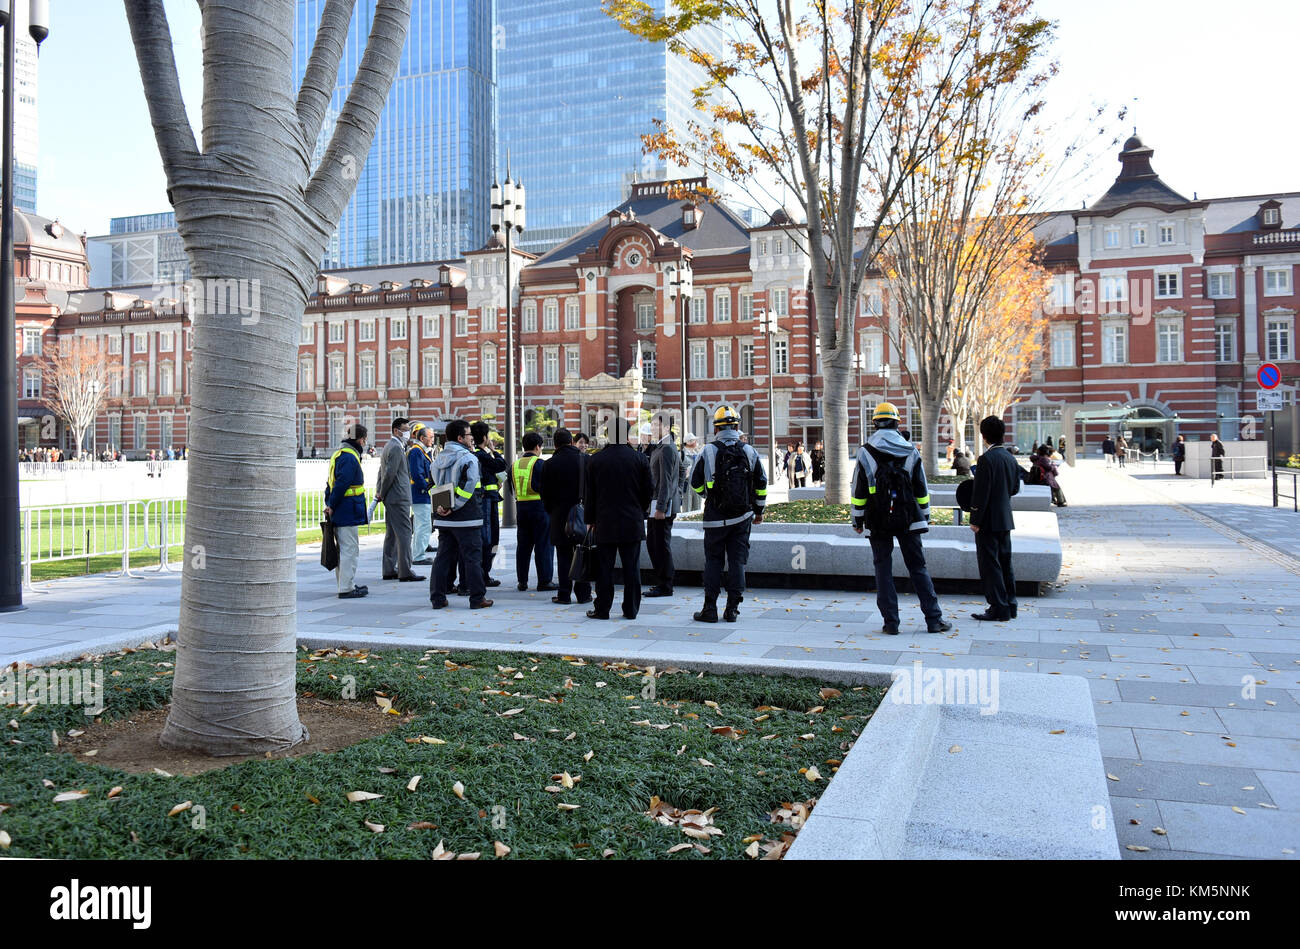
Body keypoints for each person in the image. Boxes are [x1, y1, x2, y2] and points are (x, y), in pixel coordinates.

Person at [851, 402, 951, 635]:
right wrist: (924, 516)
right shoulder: (910, 450)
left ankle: (891, 623)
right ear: (897, 422)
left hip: (878, 519)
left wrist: (857, 520)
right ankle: (934, 619)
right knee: (918, 567)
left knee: (883, 570)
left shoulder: (865, 451)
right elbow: (921, 488)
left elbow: (858, 490)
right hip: (909, 517)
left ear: (874, 422)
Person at [690, 405, 767, 623]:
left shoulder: (708, 451)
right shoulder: (750, 451)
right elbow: (761, 484)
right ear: (737, 427)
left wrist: (708, 495)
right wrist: (758, 510)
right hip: (742, 518)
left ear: (716, 429)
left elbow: (694, 482)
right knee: (737, 562)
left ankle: (710, 609)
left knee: (713, 562)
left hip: (715, 518)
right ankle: (732, 609)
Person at [585, 417, 652, 620]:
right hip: (632, 520)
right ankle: (631, 609)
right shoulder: (639, 459)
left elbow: (590, 494)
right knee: (632, 568)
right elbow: (648, 491)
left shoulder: (595, 460)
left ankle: (602, 609)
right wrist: (640, 511)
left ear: (607, 435)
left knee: (604, 568)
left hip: (604, 521)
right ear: (627, 434)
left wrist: (590, 519)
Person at [429, 419, 492, 610]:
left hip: (444, 518)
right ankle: (477, 598)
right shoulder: (469, 458)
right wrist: (455, 505)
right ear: (460, 438)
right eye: (469, 435)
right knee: (472, 558)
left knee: (442, 558)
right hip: (467, 517)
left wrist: (443, 507)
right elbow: (470, 485)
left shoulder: (437, 458)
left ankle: (437, 599)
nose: (472, 438)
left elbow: (434, 484)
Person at [969, 415, 1021, 622]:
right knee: (1005, 563)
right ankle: (1010, 604)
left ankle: (998, 607)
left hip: (988, 521)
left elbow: (981, 493)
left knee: (990, 565)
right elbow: (1015, 488)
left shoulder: (986, 459)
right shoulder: (1010, 458)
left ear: (983, 436)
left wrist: (975, 519)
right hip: (1005, 518)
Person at [536, 428, 591, 605]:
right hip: (583, 514)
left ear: (556, 443)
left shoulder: (549, 464)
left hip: (559, 515)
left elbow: (544, 493)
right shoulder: (585, 460)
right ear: (572, 442)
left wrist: (552, 510)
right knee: (583, 553)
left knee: (563, 555)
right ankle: (584, 594)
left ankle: (564, 594)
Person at [324, 423, 370, 599]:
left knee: (343, 550)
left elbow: (330, 483)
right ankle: (346, 587)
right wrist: (332, 505)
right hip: (347, 509)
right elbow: (342, 484)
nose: (365, 443)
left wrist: (329, 504)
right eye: (365, 439)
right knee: (349, 549)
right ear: (360, 439)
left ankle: (345, 584)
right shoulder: (350, 457)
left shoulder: (339, 454)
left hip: (340, 508)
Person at [376, 417, 423, 582]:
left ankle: (389, 569)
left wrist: (380, 491)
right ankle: (405, 570)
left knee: (391, 534)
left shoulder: (390, 446)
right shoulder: (396, 447)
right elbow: (389, 474)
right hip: (398, 496)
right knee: (404, 533)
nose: (408, 432)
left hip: (392, 496)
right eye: (405, 429)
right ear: (396, 430)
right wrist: (382, 492)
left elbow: (381, 472)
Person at [511, 432, 555, 591]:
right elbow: (549, 488)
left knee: (523, 545)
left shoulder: (514, 465)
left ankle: (522, 581)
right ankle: (544, 581)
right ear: (538, 447)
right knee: (543, 544)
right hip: (539, 507)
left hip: (521, 507)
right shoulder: (540, 464)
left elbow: (511, 488)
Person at [645, 414, 681, 598]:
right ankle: (661, 581)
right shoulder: (661, 446)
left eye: (655, 424)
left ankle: (666, 584)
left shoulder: (666, 448)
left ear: (666, 428)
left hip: (661, 506)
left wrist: (662, 506)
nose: (651, 427)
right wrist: (678, 491)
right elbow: (681, 471)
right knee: (653, 543)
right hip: (658, 503)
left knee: (660, 545)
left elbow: (666, 481)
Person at [471, 421, 507, 588]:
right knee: (488, 538)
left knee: (491, 538)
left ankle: (485, 573)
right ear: (485, 437)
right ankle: (483, 574)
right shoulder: (481, 455)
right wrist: (494, 450)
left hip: (490, 499)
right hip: (486, 501)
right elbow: (502, 465)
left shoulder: (477, 454)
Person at [408, 422, 435, 566]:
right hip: (420, 493)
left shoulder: (422, 451)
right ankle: (418, 556)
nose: (432, 439)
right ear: (422, 438)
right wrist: (427, 488)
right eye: (430, 437)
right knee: (423, 524)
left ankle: (420, 551)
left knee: (423, 523)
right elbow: (417, 474)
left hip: (422, 492)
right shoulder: (416, 451)